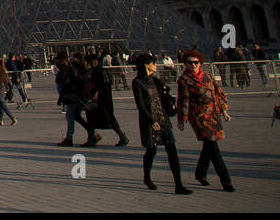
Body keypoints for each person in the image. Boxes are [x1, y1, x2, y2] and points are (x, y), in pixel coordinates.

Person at [132, 52, 191, 194]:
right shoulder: (137, 82)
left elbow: (163, 98)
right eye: (153, 63)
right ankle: (147, 177)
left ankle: (179, 185)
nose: (156, 65)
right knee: (151, 151)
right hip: (149, 121)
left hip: (163, 119)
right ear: (146, 65)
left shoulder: (155, 80)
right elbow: (141, 105)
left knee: (172, 151)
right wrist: (151, 121)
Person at [177, 50, 234, 191]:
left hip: (213, 116)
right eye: (189, 62)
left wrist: (225, 111)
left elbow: (218, 93)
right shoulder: (184, 80)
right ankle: (226, 181)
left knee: (209, 146)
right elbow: (183, 100)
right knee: (213, 147)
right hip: (199, 118)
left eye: (195, 62)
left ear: (200, 63)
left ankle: (200, 173)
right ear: (186, 64)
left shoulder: (208, 76)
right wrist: (181, 119)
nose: (193, 65)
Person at [85, 54, 128, 145]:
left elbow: (102, 85)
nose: (90, 64)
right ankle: (92, 138)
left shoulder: (99, 71)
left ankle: (122, 137)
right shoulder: (97, 71)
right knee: (94, 118)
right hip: (103, 98)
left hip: (103, 99)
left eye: (90, 62)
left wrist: (96, 94)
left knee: (108, 118)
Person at [56, 54, 99, 146]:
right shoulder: (66, 70)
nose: (58, 63)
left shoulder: (70, 70)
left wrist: (64, 95)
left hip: (73, 97)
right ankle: (93, 133)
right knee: (75, 116)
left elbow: (70, 85)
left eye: (59, 61)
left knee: (70, 117)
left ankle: (69, 138)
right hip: (71, 97)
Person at [0, 58, 17, 126]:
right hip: (5, 92)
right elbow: (10, 83)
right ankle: (0, 120)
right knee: (1, 106)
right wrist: (8, 89)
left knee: (4, 106)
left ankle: (12, 118)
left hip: (0, 92)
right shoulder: (5, 75)